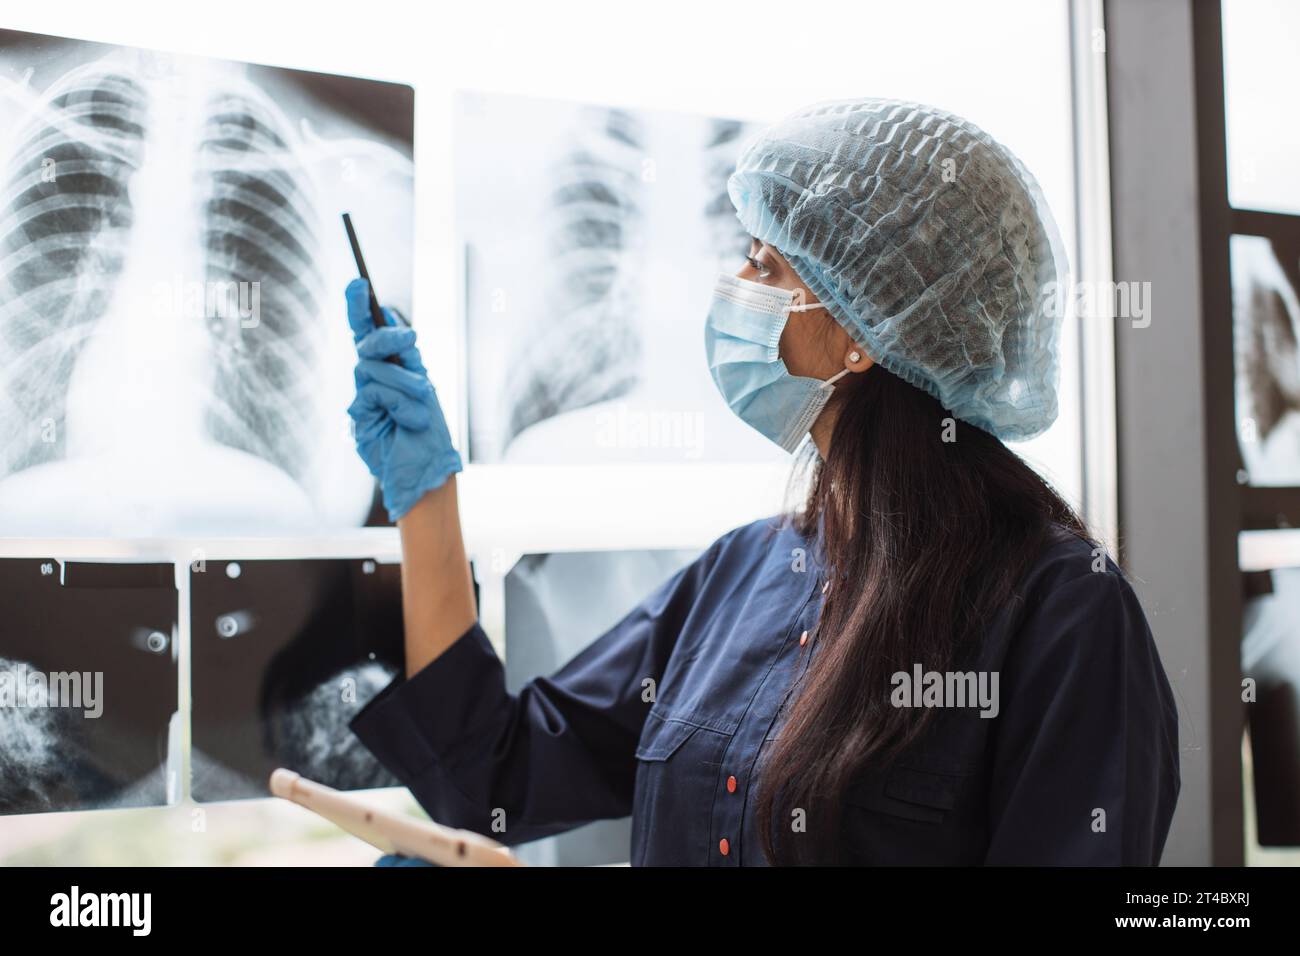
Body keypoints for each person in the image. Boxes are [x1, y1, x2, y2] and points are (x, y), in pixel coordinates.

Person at [343, 97, 1181, 866]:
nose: (735, 290)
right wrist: (426, 497)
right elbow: (496, 777)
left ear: (867, 326)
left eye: (766, 264)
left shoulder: (1063, 613)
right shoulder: (743, 575)